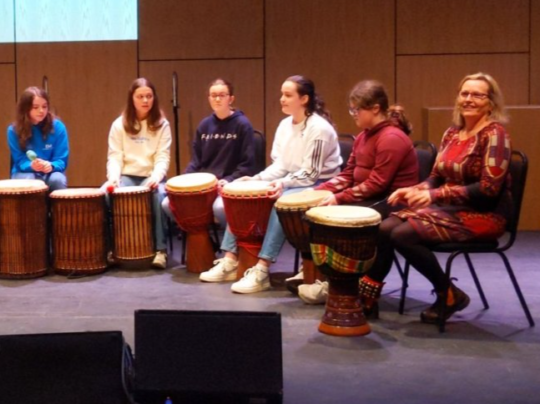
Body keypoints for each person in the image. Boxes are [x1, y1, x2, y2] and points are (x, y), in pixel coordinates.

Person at [359, 73, 513, 324]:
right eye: (464, 93)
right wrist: (417, 190)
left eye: (477, 95)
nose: (469, 99)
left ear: (491, 102)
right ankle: (369, 296)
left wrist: (433, 195)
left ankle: (447, 293)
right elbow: (435, 177)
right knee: (385, 227)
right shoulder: (452, 133)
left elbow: (488, 189)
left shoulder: (495, 135)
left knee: (402, 234)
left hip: (484, 214)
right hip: (449, 208)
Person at [200, 75, 342, 294]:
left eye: (288, 95)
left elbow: (310, 173)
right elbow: (281, 165)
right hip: (294, 180)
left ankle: (262, 269)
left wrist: (281, 184)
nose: (282, 99)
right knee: (245, 194)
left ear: (304, 99)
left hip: (321, 184)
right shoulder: (285, 125)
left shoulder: (319, 128)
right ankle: (229, 259)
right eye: (282, 94)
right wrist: (256, 180)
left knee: (280, 202)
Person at [295, 80, 419, 304]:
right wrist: (320, 191)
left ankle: (349, 286)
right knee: (320, 211)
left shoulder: (391, 138)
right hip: (372, 198)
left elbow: (377, 185)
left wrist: (339, 198)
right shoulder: (363, 136)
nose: (353, 114)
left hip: (392, 202)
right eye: (351, 109)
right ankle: (334, 280)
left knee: (338, 219)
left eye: (356, 109)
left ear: (375, 108)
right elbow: (348, 174)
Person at [162, 78, 257, 227]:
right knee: (168, 204)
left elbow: (248, 163)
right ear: (209, 98)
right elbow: (196, 161)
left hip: (228, 184)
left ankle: (231, 245)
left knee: (219, 208)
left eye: (222, 95)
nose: (217, 99)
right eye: (213, 95)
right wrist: (183, 182)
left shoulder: (242, 124)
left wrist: (229, 180)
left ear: (231, 99)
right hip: (205, 186)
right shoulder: (204, 125)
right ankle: (202, 239)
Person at [104, 78, 172, 269]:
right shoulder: (119, 124)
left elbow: (162, 157)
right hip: (126, 176)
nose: (145, 101)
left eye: (149, 96)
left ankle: (160, 250)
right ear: (132, 99)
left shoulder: (162, 124)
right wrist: (113, 178)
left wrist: (155, 178)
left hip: (151, 176)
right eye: (140, 96)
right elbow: (115, 156)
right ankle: (111, 249)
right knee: (103, 196)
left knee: (157, 196)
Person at [7, 86, 69, 191]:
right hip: (24, 172)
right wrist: (31, 165)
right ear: (25, 109)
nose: (41, 111)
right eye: (35, 107)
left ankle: (59, 208)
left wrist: (51, 165)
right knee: (30, 181)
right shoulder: (13, 130)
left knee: (57, 180)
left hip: (51, 172)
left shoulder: (58, 127)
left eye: (44, 107)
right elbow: (19, 160)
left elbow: (61, 159)